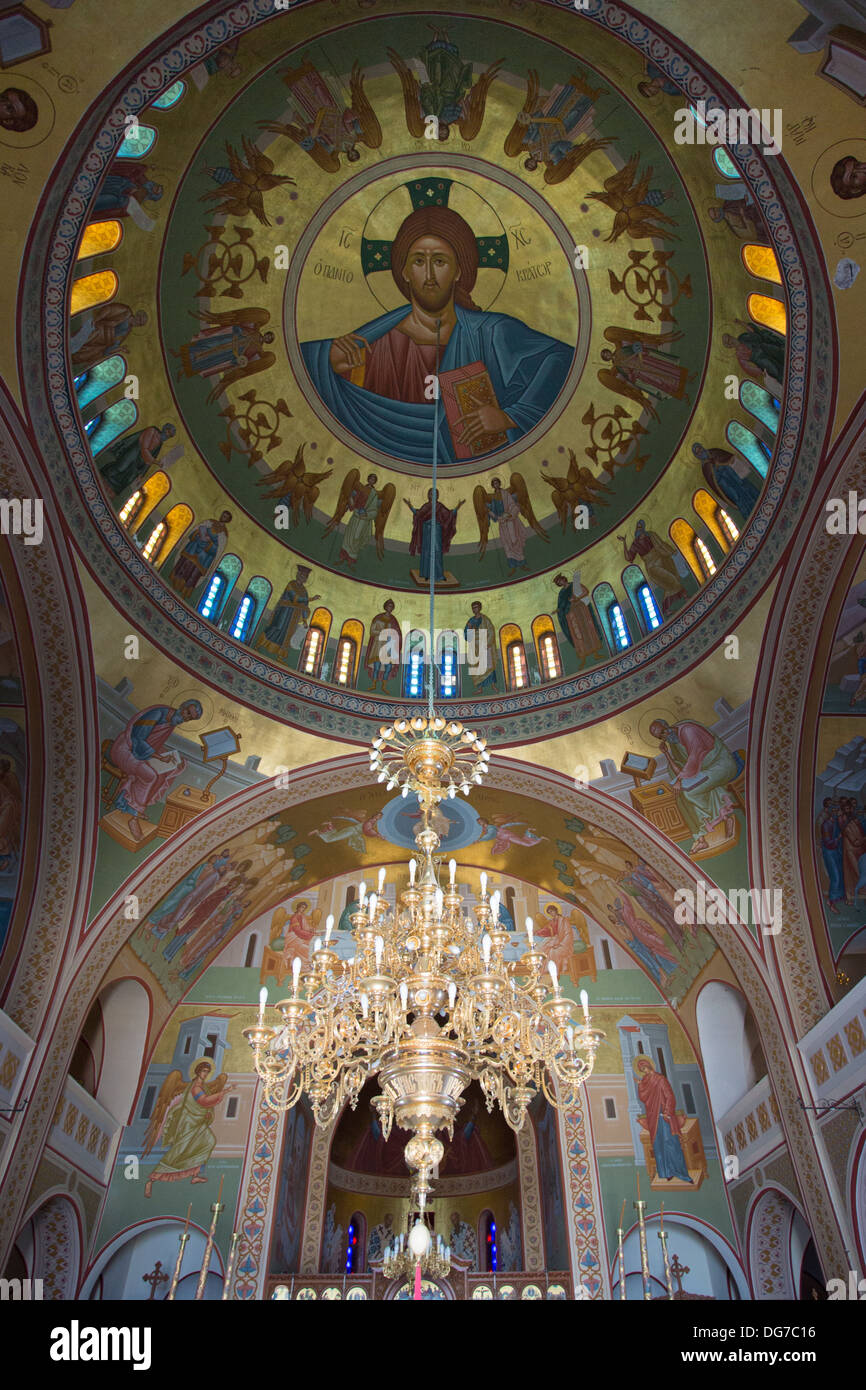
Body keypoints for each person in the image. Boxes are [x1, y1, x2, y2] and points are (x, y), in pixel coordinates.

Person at [301, 205, 573, 463]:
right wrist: (328, 361)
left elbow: (562, 359)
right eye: (419, 261)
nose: (429, 275)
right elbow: (316, 378)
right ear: (404, 271)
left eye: (440, 261)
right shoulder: (373, 345)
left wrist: (511, 417)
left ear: (457, 272)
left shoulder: (491, 332)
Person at [108, 700, 202, 841]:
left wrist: (172, 758)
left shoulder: (171, 723)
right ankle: (133, 818)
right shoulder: (158, 714)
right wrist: (159, 757)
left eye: (190, 718)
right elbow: (138, 739)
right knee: (150, 776)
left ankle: (134, 806)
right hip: (125, 748)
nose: (186, 718)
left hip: (138, 753)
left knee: (161, 775)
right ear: (181, 706)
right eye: (187, 712)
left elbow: (154, 743)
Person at [143, 1060, 234, 1198]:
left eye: (207, 1072)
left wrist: (208, 1112)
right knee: (178, 1151)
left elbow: (206, 1104)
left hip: (199, 1122)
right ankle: (152, 1180)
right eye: (203, 1071)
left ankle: (195, 1174)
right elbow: (204, 1101)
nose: (205, 1074)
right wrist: (225, 1091)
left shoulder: (203, 1086)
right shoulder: (195, 1087)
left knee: (208, 1141)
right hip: (189, 1122)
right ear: (197, 1071)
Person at [649, 717, 742, 846]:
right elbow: (680, 767)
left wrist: (680, 780)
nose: (664, 737)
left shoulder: (688, 731)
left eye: (663, 732)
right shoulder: (674, 740)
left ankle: (724, 818)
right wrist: (666, 754)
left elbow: (693, 759)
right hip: (703, 770)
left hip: (721, 765)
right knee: (679, 795)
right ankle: (700, 837)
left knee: (690, 793)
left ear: (667, 725)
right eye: (660, 737)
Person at [634, 1056, 693, 1182]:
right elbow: (644, 1098)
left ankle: (680, 1171)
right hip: (653, 1118)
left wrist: (667, 1111)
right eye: (642, 1069)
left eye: (645, 1067)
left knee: (671, 1143)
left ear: (649, 1066)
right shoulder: (645, 1080)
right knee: (658, 1144)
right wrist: (640, 1085)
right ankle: (666, 1172)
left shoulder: (660, 1079)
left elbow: (669, 1096)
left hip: (664, 1117)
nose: (644, 1070)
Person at [619, 522, 687, 613]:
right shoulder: (635, 544)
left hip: (662, 559)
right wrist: (624, 543)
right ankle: (683, 598)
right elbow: (629, 558)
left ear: (643, 528)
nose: (639, 530)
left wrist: (670, 551)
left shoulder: (651, 535)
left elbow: (661, 544)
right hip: (652, 566)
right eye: (637, 528)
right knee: (671, 579)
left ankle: (669, 608)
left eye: (640, 527)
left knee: (673, 579)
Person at [255, 566, 319, 663]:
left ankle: (280, 657)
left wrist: (305, 620)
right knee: (276, 628)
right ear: (297, 575)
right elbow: (295, 598)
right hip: (284, 612)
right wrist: (311, 599)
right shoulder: (291, 584)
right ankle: (258, 645)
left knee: (287, 635)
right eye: (301, 575)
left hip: (294, 617)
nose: (303, 577)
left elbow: (304, 606)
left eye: (305, 576)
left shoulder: (304, 591)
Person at [98, 422, 176, 496]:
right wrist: (156, 462)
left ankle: (108, 491)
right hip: (133, 452)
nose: (167, 436)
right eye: (168, 432)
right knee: (120, 467)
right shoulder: (152, 431)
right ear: (164, 428)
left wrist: (142, 474)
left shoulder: (159, 444)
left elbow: (149, 462)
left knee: (127, 478)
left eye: (169, 436)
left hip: (139, 462)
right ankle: (100, 480)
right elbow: (144, 448)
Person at [168, 511, 232, 599]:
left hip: (203, 558)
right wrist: (200, 533)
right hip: (192, 549)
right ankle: (174, 581)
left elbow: (218, 550)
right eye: (223, 515)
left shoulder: (223, 534)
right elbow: (196, 531)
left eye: (225, 517)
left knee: (193, 573)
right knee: (183, 565)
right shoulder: (209, 522)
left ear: (227, 520)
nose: (223, 517)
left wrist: (209, 543)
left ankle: (184, 590)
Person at [404, 489, 464, 582]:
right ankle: (427, 574)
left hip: (437, 530)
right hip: (427, 530)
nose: (433, 495)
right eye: (431, 494)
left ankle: (439, 575)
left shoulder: (440, 506)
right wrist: (410, 505)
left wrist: (458, 506)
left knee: (437, 551)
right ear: (428, 495)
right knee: (427, 551)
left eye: (435, 494)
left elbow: (449, 515)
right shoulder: (426, 506)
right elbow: (418, 514)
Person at [692, 442, 760, 518]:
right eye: (698, 453)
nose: (701, 452)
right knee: (736, 497)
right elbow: (713, 484)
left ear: (702, 447)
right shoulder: (705, 468)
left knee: (744, 487)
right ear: (697, 456)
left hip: (732, 475)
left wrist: (720, 463)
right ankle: (750, 515)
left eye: (700, 449)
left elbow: (729, 458)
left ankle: (758, 503)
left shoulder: (714, 452)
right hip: (725, 484)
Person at [71, 304, 148, 371]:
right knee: (78, 342)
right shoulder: (125, 311)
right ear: (137, 314)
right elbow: (109, 309)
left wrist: (120, 349)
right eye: (140, 319)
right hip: (99, 330)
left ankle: (69, 360)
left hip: (101, 344)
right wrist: (97, 319)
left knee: (83, 356)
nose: (138, 323)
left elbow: (114, 345)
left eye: (140, 324)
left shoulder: (128, 331)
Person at [554, 571, 604, 664]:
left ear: (564, 578)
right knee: (577, 633)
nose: (561, 583)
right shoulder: (561, 593)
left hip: (581, 610)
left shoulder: (575, 585)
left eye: (560, 580)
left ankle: (596, 653)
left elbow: (586, 591)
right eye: (559, 583)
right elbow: (561, 605)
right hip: (571, 615)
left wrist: (577, 598)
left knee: (588, 630)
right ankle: (583, 657)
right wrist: (558, 610)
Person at [364, 598, 401, 691]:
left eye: (392, 606)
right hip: (378, 644)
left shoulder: (393, 620)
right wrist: (382, 632)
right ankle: (374, 684)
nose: (390, 608)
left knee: (388, 667)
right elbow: (372, 631)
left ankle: (384, 686)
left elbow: (397, 633)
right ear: (385, 606)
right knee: (377, 666)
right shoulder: (378, 618)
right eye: (389, 606)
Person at [818, 799, 844, 914]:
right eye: (833, 810)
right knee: (835, 876)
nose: (835, 812)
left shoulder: (837, 823)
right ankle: (831, 902)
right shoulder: (826, 824)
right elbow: (828, 841)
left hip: (837, 852)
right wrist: (838, 839)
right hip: (829, 852)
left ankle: (840, 898)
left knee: (841, 875)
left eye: (837, 810)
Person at [464, 600, 497, 691]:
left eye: (476, 607)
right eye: (473, 608)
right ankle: (480, 688)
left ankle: (493, 685)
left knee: (489, 665)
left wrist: (488, 643)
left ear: (480, 608)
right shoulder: (470, 621)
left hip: (485, 646)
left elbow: (491, 631)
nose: (474, 609)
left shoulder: (485, 619)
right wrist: (470, 629)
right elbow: (467, 637)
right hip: (475, 647)